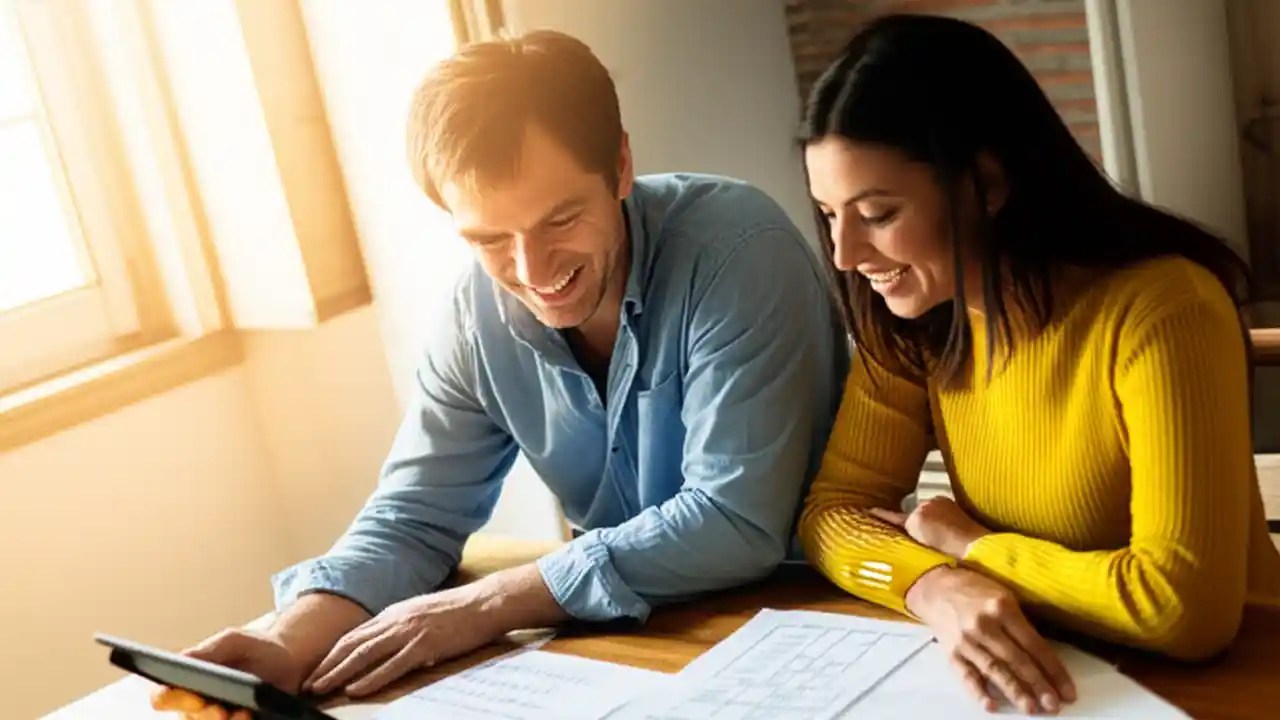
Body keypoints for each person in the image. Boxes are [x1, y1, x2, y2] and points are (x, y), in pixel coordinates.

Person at [151, 29, 845, 717]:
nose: (533, 272)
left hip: (819, 632)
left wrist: (486, 604)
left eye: (561, 219)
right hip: (643, 650)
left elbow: (735, 519)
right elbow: (415, 513)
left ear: (621, 164)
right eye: (489, 239)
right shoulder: (474, 315)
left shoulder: (739, 250)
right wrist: (290, 638)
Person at [796, 13, 1280, 717]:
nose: (844, 256)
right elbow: (832, 515)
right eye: (829, 214)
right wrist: (934, 585)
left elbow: (1182, 610)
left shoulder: (1162, 309)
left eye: (877, 212)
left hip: (1232, 685)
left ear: (986, 184)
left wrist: (975, 548)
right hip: (1054, 675)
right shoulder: (914, 322)